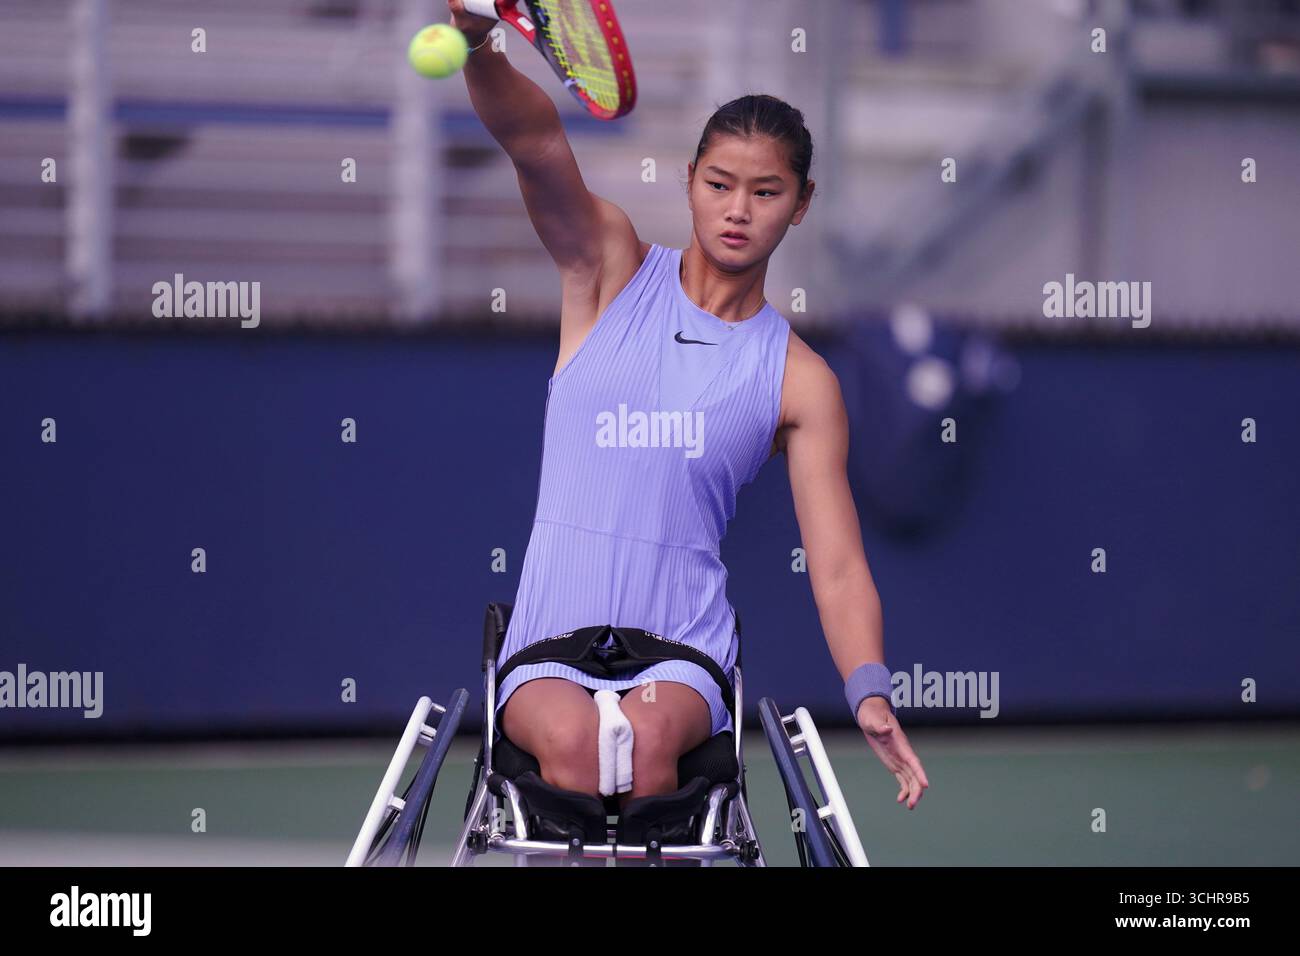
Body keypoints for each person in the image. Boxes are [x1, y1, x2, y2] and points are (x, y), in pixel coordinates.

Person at [451, 0, 929, 815]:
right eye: (720, 184)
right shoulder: (606, 269)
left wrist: (870, 691)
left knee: (635, 754)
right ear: (690, 183)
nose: (739, 210)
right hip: (545, 642)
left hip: (682, 654)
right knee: (572, 744)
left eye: (766, 191)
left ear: (801, 203)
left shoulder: (801, 380)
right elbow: (533, 143)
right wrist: (480, 44)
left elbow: (839, 564)